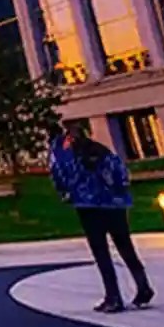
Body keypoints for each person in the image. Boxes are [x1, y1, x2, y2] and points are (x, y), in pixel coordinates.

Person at [50, 122, 154, 313]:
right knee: (125, 245)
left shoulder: (67, 156)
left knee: (101, 252)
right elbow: (121, 173)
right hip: (115, 204)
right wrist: (118, 192)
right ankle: (143, 286)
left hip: (88, 206)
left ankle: (113, 296)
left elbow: (60, 176)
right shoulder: (102, 151)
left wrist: (66, 194)